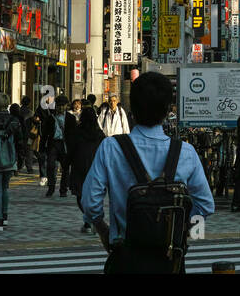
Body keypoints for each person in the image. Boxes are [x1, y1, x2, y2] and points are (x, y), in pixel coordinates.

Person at [82, 72, 214, 272]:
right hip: (169, 260)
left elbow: (90, 202)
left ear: (132, 108)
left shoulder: (110, 147)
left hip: (126, 257)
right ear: (167, 110)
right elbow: (205, 205)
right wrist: (183, 232)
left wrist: (103, 231)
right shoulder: (185, 152)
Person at [0, 92, 25, 231]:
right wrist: (20, 159)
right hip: (10, 158)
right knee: (5, 188)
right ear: (7, 104)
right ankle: (5, 217)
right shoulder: (14, 120)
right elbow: (20, 141)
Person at [67, 104, 104, 234]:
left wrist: (67, 163)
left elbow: (71, 149)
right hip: (95, 167)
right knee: (94, 194)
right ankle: (92, 219)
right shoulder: (99, 134)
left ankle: (88, 221)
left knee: (80, 194)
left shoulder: (77, 132)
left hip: (79, 165)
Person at [37, 95, 68, 197]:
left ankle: (63, 189)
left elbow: (73, 134)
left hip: (64, 144)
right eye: (59, 105)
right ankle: (51, 187)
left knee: (65, 168)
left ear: (66, 106)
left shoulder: (70, 118)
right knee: (50, 166)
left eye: (63, 105)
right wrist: (41, 148)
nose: (61, 107)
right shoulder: (50, 118)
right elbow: (45, 134)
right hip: (53, 144)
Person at [60, 98, 82, 196]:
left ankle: (66, 187)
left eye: (78, 104)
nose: (77, 106)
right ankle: (61, 187)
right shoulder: (54, 115)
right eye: (75, 104)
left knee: (67, 167)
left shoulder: (72, 117)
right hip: (58, 143)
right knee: (60, 166)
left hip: (70, 144)